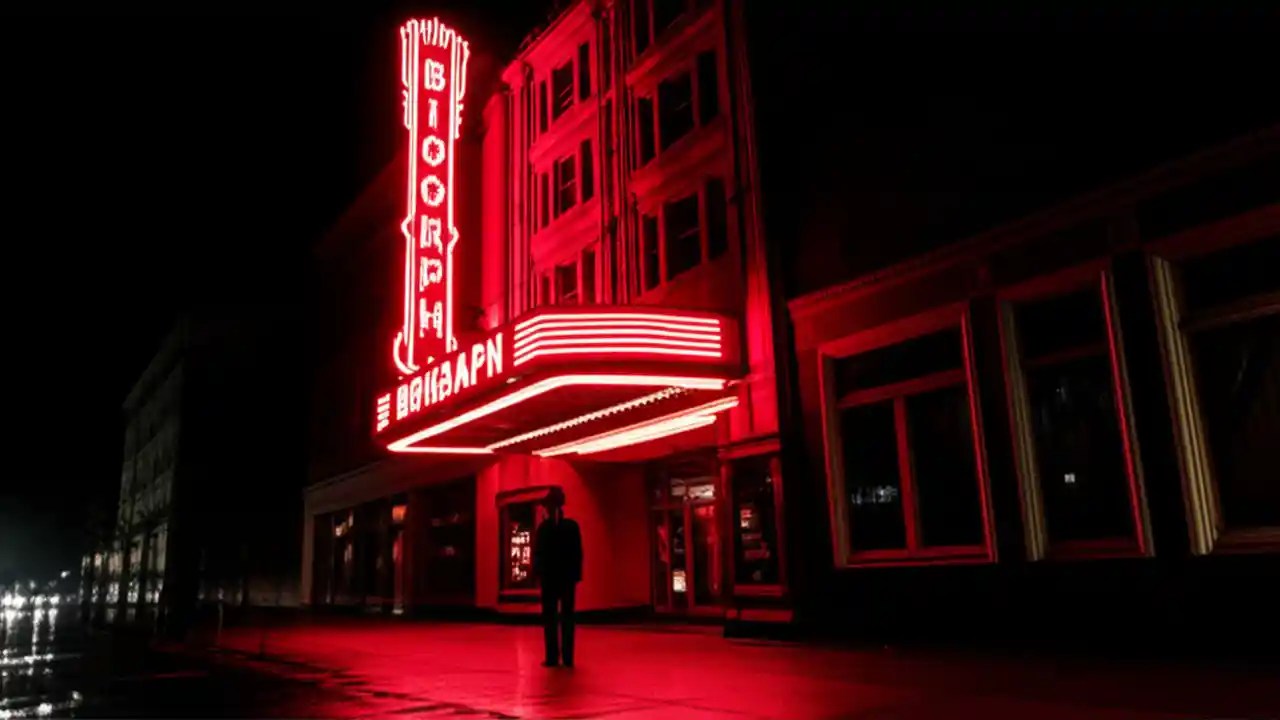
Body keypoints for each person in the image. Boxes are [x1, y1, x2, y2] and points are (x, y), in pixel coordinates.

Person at [532, 487, 582, 667]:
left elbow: (538, 554)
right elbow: (577, 553)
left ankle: (552, 656)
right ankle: (568, 657)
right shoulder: (571, 527)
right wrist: (576, 575)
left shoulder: (544, 529)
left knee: (550, 618)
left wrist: (539, 574)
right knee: (567, 617)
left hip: (550, 578)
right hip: (567, 578)